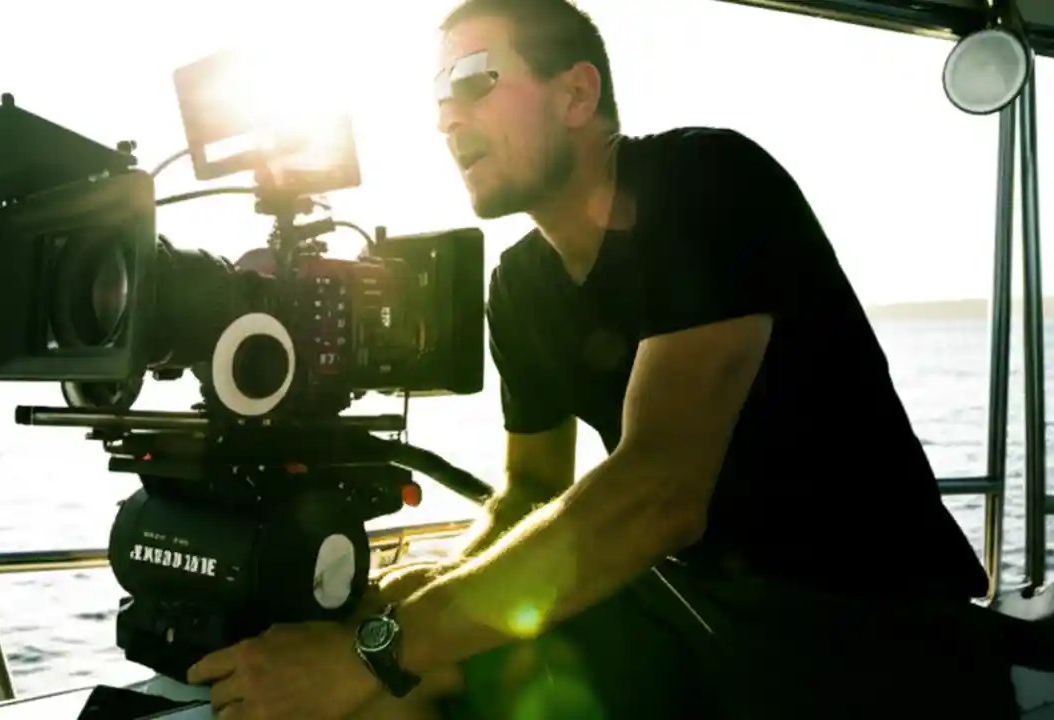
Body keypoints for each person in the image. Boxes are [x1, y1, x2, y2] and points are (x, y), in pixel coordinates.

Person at [185, 0, 1021, 717]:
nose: (445, 119)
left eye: (472, 80)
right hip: (692, 609)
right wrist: (419, 597)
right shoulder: (519, 285)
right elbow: (530, 491)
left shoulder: (705, 182)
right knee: (398, 668)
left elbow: (658, 492)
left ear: (577, 94)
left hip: (875, 630)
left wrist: (374, 652)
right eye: (436, 99)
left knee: (396, 680)